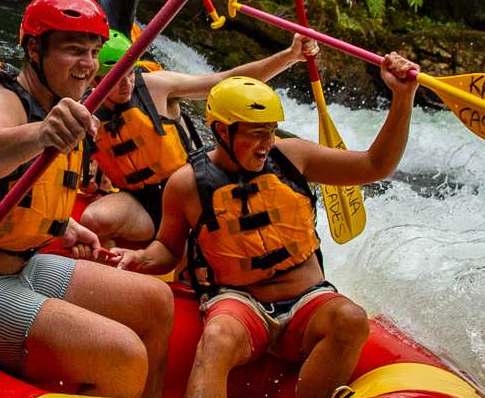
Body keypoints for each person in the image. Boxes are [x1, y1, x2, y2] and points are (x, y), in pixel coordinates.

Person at [0, 0, 174, 398]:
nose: (88, 65)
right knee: (123, 353)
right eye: (74, 50)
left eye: (94, 52)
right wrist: (42, 133)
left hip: (17, 267)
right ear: (33, 48)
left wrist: (66, 225)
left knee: (157, 300)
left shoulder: (53, 102)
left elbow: (16, 195)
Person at [118, 64, 418, 398]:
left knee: (350, 319)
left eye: (272, 131)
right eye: (256, 133)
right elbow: (167, 249)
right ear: (221, 131)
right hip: (238, 301)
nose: (267, 143)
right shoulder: (186, 185)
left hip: (307, 300)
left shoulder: (293, 158)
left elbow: (375, 165)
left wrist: (402, 98)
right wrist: (138, 258)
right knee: (217, 336)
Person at [82, 30, 322, 249]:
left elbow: (227, 81)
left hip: (193, 192)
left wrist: (289, 56)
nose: (127, 84)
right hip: (142, 202)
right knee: (94, 220)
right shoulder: (88, 111)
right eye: (115, 79)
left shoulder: (156, 86)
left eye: (129, 73)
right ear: (95, 81)